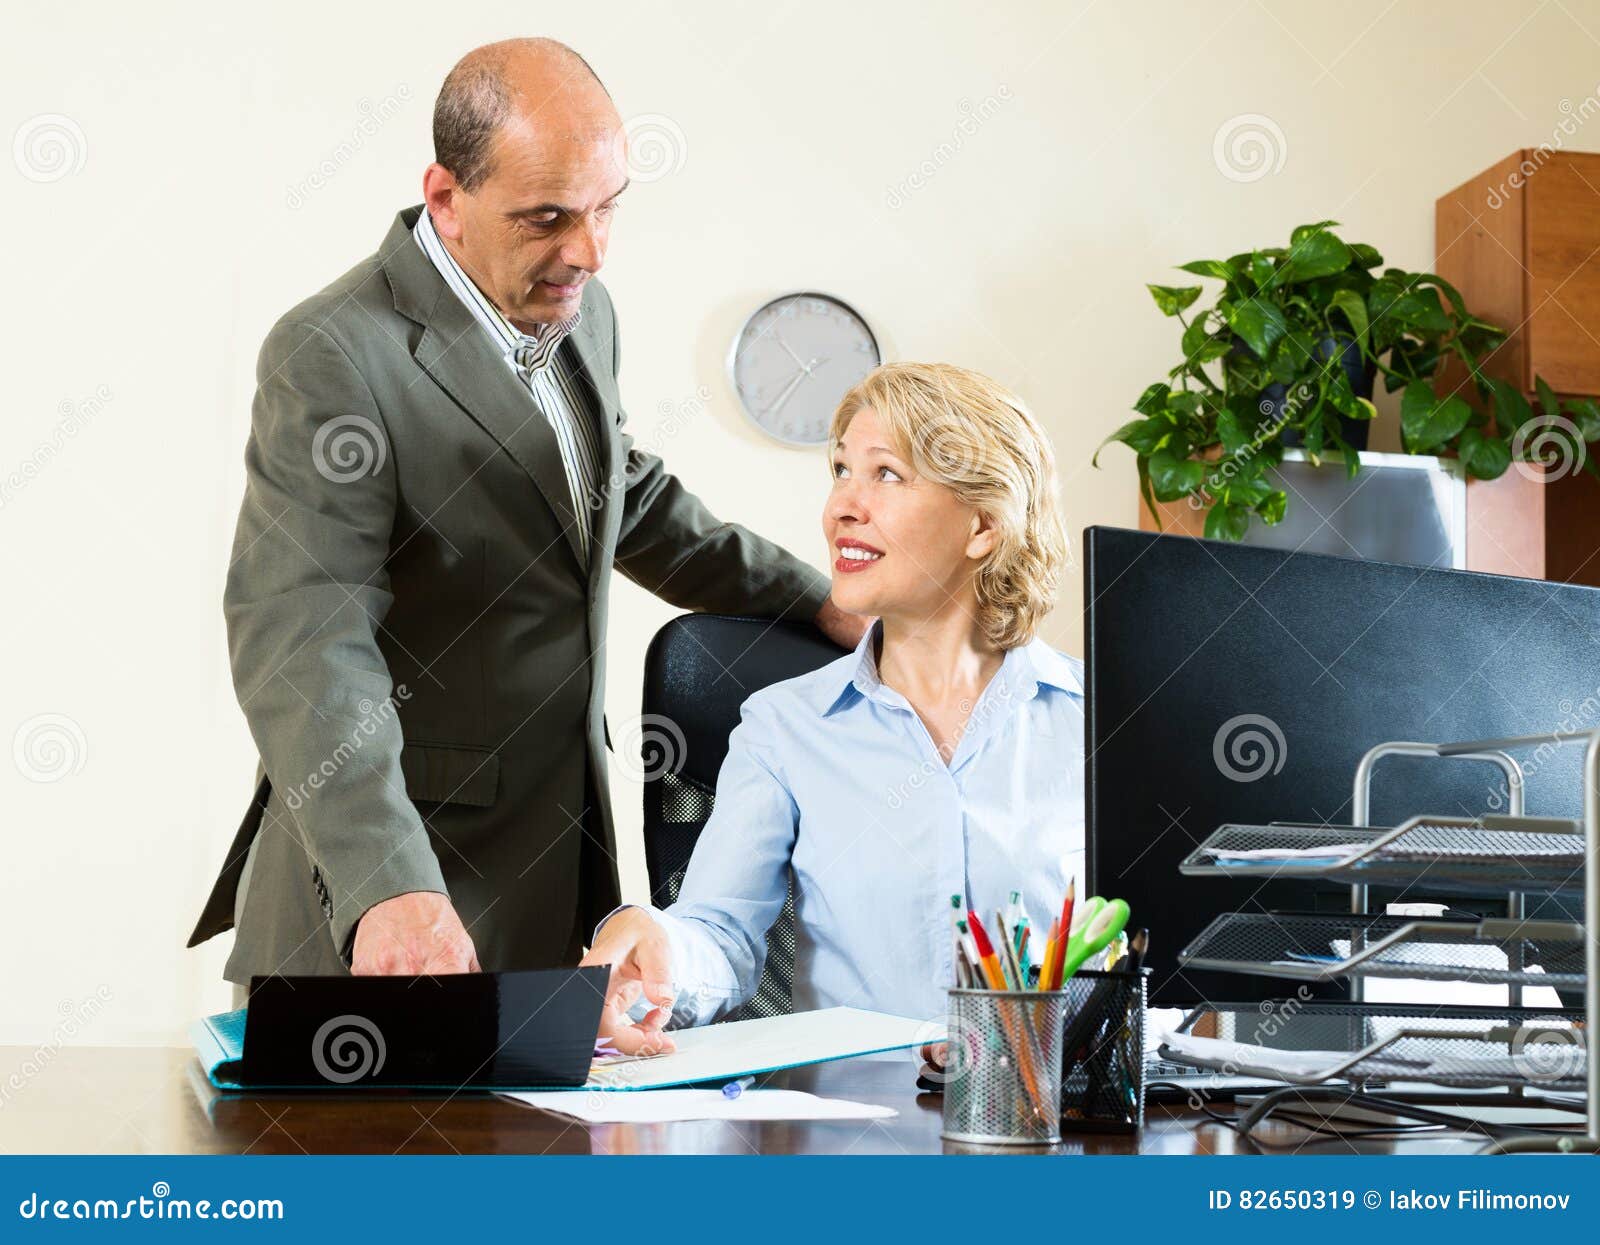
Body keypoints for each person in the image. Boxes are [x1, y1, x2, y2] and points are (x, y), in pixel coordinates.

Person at [188, 37, 864, 996]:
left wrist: (822, 601)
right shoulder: (333, 351)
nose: (588, 251)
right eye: (547, 218)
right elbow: (302, 636)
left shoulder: (583, 310)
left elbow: (617, 493)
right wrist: (387, 884)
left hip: (560, 872)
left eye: (606, 209)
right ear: (446, 197)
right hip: (396, 910)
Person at [584, 362, 1083, 1054]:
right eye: (841, 471)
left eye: (885, 474)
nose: (843, 506)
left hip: (1046, 1131)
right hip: (854, 1138)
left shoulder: (1097, 725)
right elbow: (720, 933)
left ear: (983, 527)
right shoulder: (783, 726)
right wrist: (657, 938)